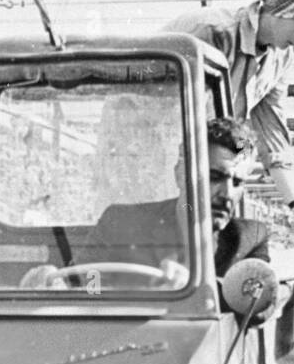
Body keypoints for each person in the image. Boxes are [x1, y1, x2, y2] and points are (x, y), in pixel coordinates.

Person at [166, 0, 294, 247]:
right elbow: (160, 108)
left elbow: (273, 135)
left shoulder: (279, 57)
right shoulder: (211, 33)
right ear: (282, 11)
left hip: (206, 164)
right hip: (163, 153)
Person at [84, 115, 273, 283]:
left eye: (238, 182)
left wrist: (195, 287)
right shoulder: (121, 224)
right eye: (214, 177)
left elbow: (258, 303)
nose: (227, 194)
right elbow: (88, 284)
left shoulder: (250, 238)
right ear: (181, 175)